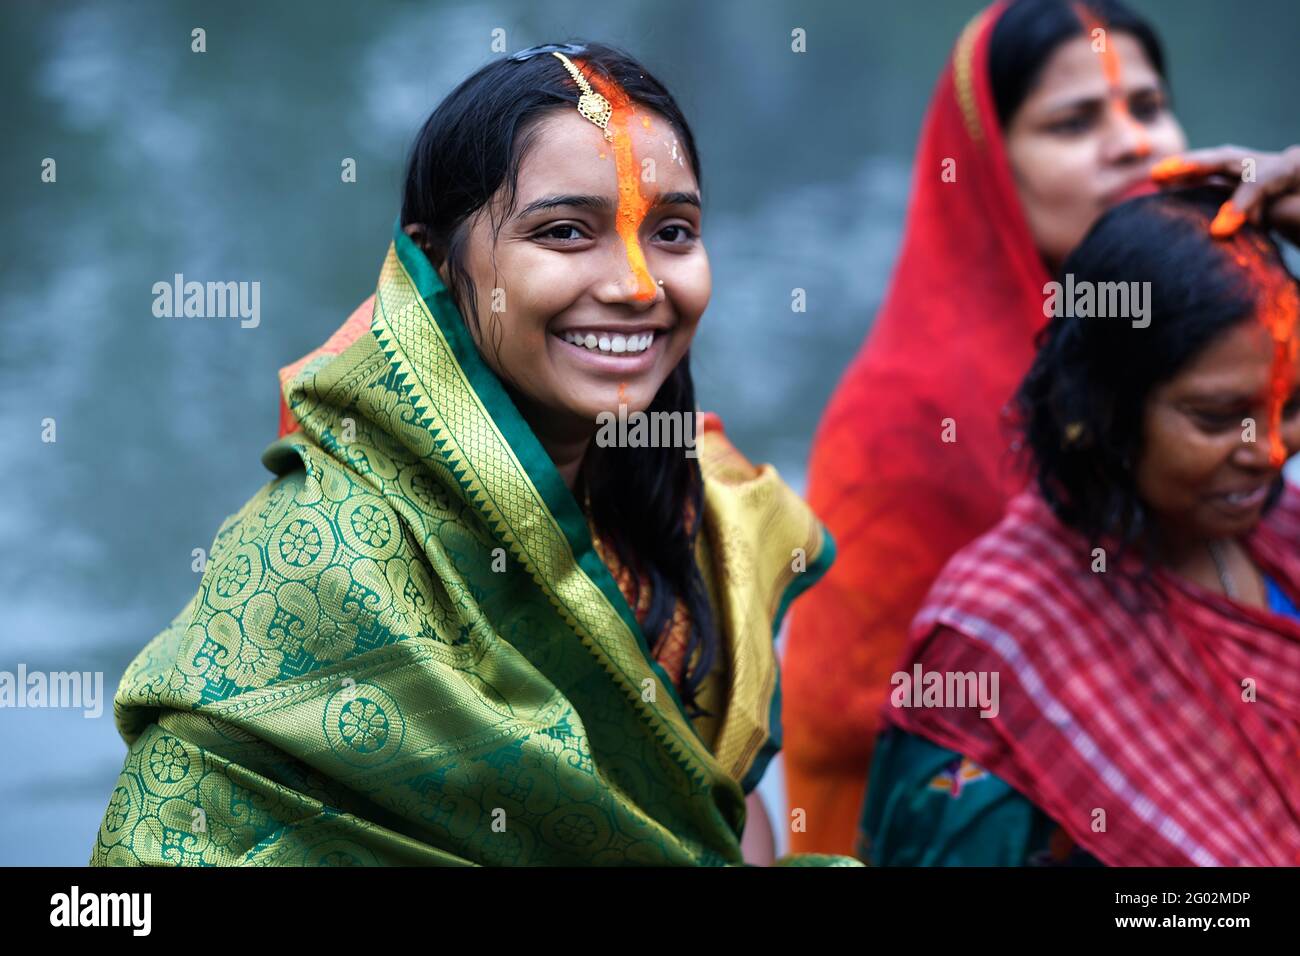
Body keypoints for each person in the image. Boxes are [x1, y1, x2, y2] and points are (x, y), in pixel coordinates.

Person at [89, 42, 852, 867]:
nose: (638, 285)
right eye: (565, 232)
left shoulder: (706, 510)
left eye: (672, 232)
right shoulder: (316, 564)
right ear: (439, 263)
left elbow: (718, 822)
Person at [781, 0, 1300, 856]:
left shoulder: (1254, 405)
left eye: (1146, 105)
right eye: (1074, 121)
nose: (1134, 143)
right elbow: (874, 735)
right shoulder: (908, 420)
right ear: (988, 163)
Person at [863, 185, 1300, 866]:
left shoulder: (1285, 536)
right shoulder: (997, 634)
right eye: (1216, 419)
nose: (1270, 451)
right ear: (1099, 408)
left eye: (1291, 406)